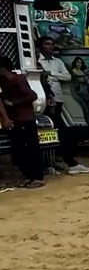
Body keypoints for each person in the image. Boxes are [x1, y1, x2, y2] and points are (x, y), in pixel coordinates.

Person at [35, 36, 89, 174]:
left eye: (52, 44)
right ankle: (67, 162)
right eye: (47, 44)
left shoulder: (57, 61)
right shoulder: (37, 62)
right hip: (45, 100)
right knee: (57, 131)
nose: (50, 46)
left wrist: (52, 75)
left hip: (58, 99)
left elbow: (67, 77)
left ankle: (57, 162)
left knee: (56, 131)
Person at [0, 55, 46, 188]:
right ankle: (28, 175)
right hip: (16, 119)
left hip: (25, 118)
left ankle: (37, 177)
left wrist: (13, 103)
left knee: (31, 148)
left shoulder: (17, 80)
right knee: (19, 150)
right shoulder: (5, 81)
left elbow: (32, 95)